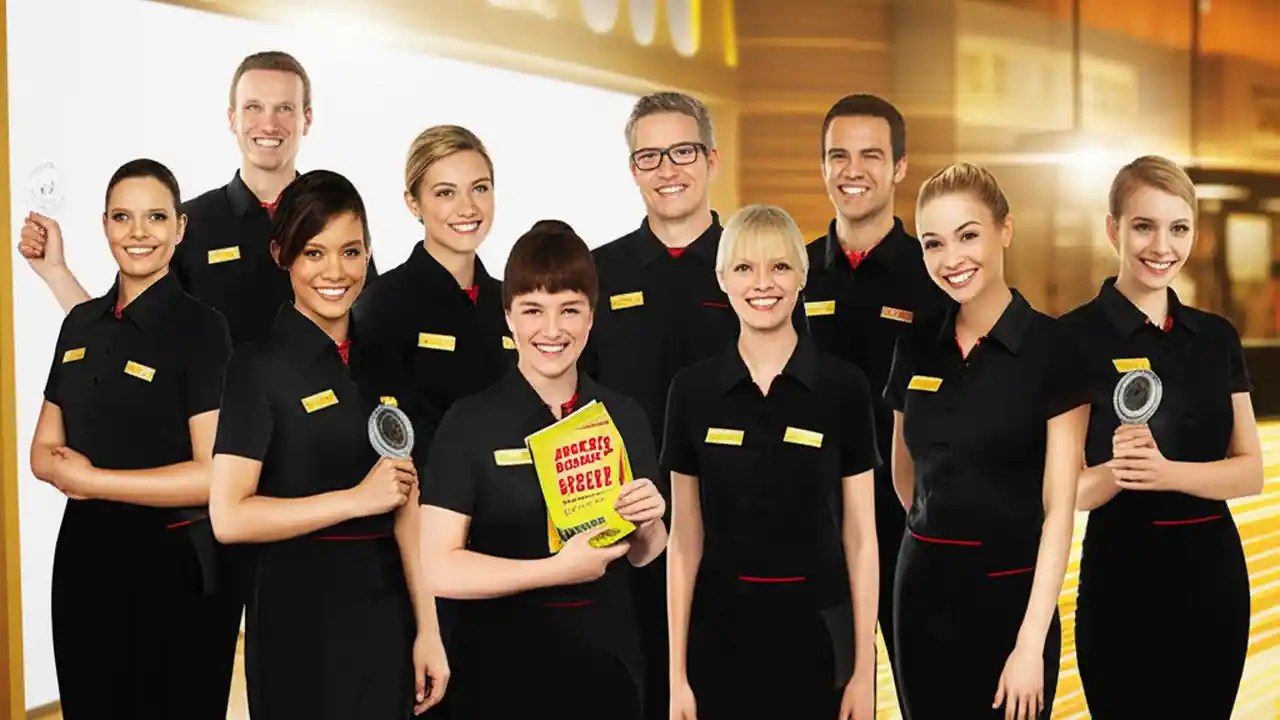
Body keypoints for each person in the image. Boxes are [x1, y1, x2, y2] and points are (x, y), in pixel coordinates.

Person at [207, 170, 446, 719]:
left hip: (385, 617)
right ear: (282, 255)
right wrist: (355, 500)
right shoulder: (255, 367)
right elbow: (229, 517)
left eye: (351, 251)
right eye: (314, 253)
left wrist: (428, 628)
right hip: (296, 623)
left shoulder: (382, 359)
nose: (335, 272)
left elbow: (406, 500)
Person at [418, 220, 668, 719]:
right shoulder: (469, 423)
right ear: (508, 317)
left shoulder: (623, 415)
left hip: (607, 668)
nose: (552, 330)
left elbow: (646, 554)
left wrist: (650, 522)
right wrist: (555, 570)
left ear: (591, 316)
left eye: (569, 309)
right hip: (497, 673)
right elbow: (437, 567)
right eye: (533, 310)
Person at [29, 159, 234, 718]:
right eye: (123, 217)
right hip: (84, 559)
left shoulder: (202, 328)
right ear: (105, 226)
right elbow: (43, 450)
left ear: (180, 228)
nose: (138, 232)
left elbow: (211, 474)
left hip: (173, 565)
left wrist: (93, 480)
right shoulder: (81, 324)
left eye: (156, 217)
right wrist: (68, 472)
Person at [884, 163, 1088, 719]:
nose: (952, 258)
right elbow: (906, 474)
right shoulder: (914, 348)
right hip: (921, 597)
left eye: (968, 235)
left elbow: (1059, 510)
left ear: (1005, 230)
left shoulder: (1054, 349)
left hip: (1013, 599)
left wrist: (1030, 643)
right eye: (933, 243)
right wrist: (935, 536)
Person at [1062, 156, 1263, 719]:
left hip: (1212, 580)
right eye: (1143, 226)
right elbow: (1068, 490)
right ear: (1113, 230)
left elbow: (1250, 471)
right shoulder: (1070, 338)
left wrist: (1167, 473)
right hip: (1120, 580)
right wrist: (1118, 471)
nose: (1162, 246)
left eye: (1178, 228)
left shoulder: (1216, 338)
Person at [663, 204, 880, 719]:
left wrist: (864, 674)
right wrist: (676, 677)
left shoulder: (844, 387)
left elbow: (861, 539)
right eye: (744, 267)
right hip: (719, 643)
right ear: (722, 278)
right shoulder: (691, 391)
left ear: (803, 275)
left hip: (821, 644)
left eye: (780, 266)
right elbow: (684, 542)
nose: (763, 283)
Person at [801, 94, 949, 703]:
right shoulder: (792, 274)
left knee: (927, 696)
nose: (852, 170)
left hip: (911, 525)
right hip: (814, 528)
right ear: (823, 166)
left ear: (899, 167)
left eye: (871, 155)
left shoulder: (936, 276)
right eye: (838, 155)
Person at [354, 124, 514, 429]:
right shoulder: (382, 306)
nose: (468, 208)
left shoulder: (514, 302)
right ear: (413, 203)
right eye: (446, 193)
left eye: (479, 189)